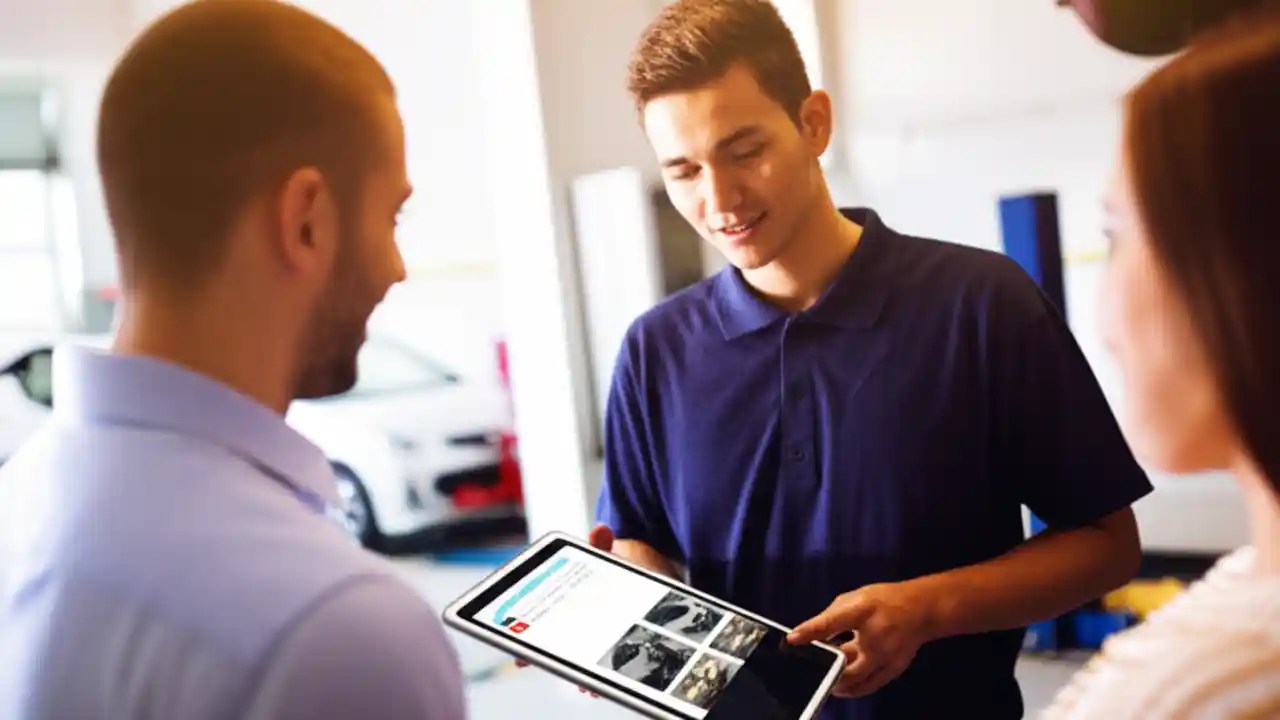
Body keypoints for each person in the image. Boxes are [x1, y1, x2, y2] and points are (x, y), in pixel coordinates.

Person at [590, 1, 1153, 717]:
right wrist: (629, 606)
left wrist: (929, 608)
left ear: (813, 123)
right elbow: (642, 536)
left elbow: (1106, 545)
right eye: (684, 171)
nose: (719, 199)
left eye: (744, 151)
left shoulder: (979, 305)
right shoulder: (655, 350)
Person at [0, 2, 465, 719]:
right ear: (306, 218)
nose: (398, 268)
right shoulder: (340, 631)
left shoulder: (23, 498)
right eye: (392, 218)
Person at [1042, 8, 1280, 717]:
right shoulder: (1249, 591)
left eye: (1116, 235)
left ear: (1244, 275)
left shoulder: (1226, 685)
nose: (1105, 320)